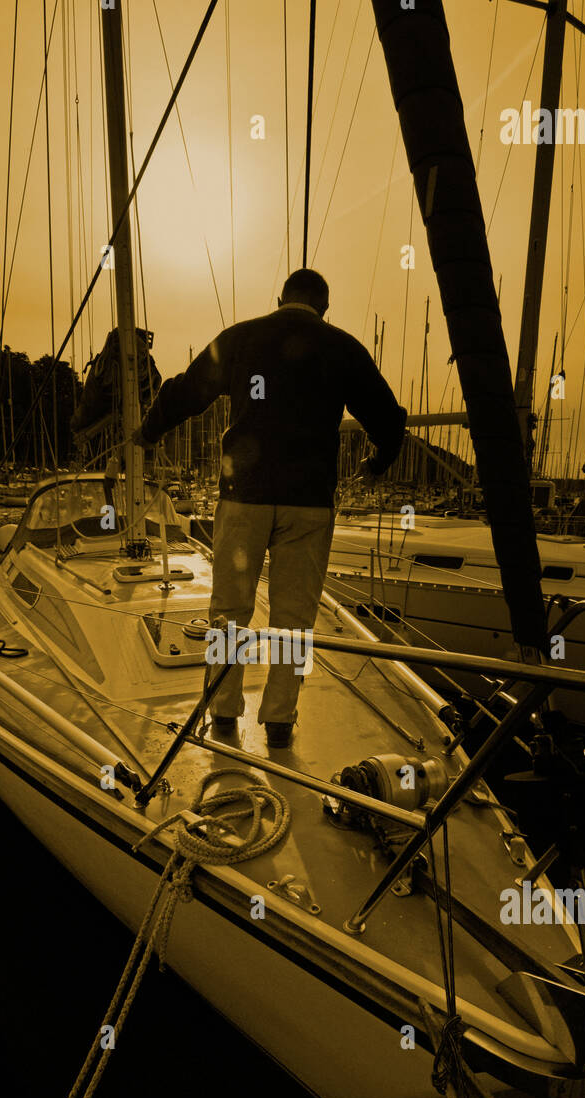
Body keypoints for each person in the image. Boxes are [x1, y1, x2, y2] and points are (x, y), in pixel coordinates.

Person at [133, 268, 406, 748]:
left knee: (229, 613)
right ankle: (280, 721)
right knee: (295, 618)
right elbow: (388, 416)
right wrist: (379, 460)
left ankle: (222, 715)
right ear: (324, 308)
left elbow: (186, 391)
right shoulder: (344, 348)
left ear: (279, 298)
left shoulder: (242, 338)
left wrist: (150, 431)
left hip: (245, 499)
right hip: (309, 503)